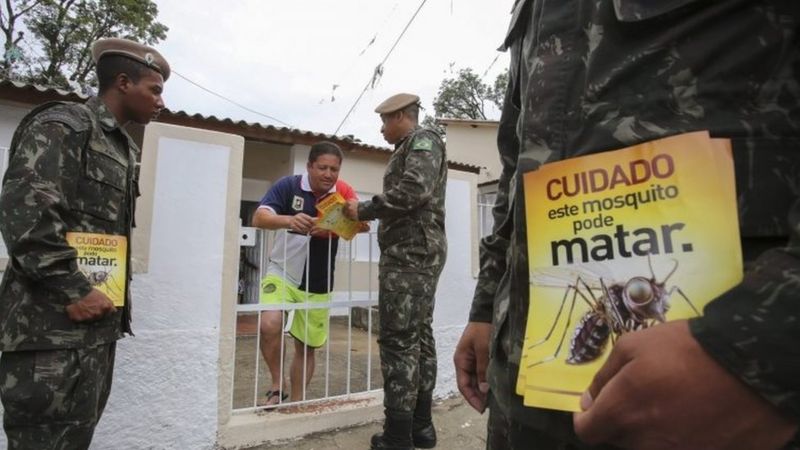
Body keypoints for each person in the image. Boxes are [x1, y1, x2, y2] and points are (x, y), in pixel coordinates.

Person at [453, 1, 800, 449]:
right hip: (527, 390)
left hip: (717, 388)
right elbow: (516, 166)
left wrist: (762, 347)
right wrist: (485, 310)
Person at [0, 38, 168, 449]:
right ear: (123, 82)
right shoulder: (63, 125)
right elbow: (27, 215)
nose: (160, 102)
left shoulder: (120, 147)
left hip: (93, 331)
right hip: (49, 331)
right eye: (155, 89)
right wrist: (75, 289)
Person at [344, 93, 447, 450]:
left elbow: (413, 191)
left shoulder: (422, 140)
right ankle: (420, 428)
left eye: (386, 120)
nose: (382, 128)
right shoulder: (417, 144)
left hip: (410, 255)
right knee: (418, 337)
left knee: (399, 341)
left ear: (402, 116)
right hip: (417, 253)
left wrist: (364, 209)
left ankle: (398, 436)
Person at [252, 141, 363, 406]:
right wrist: (289, 219)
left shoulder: (344, 191)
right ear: (309, 166)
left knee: (306, 345)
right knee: (269, 324)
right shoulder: (288, 186)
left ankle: (297, 403)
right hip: (283, 270)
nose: (328, 174)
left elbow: (359, 224)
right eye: (322, 167)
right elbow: (259, 218)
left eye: (334, 169)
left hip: (319, 280)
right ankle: (277, 386)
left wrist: (334, 229)